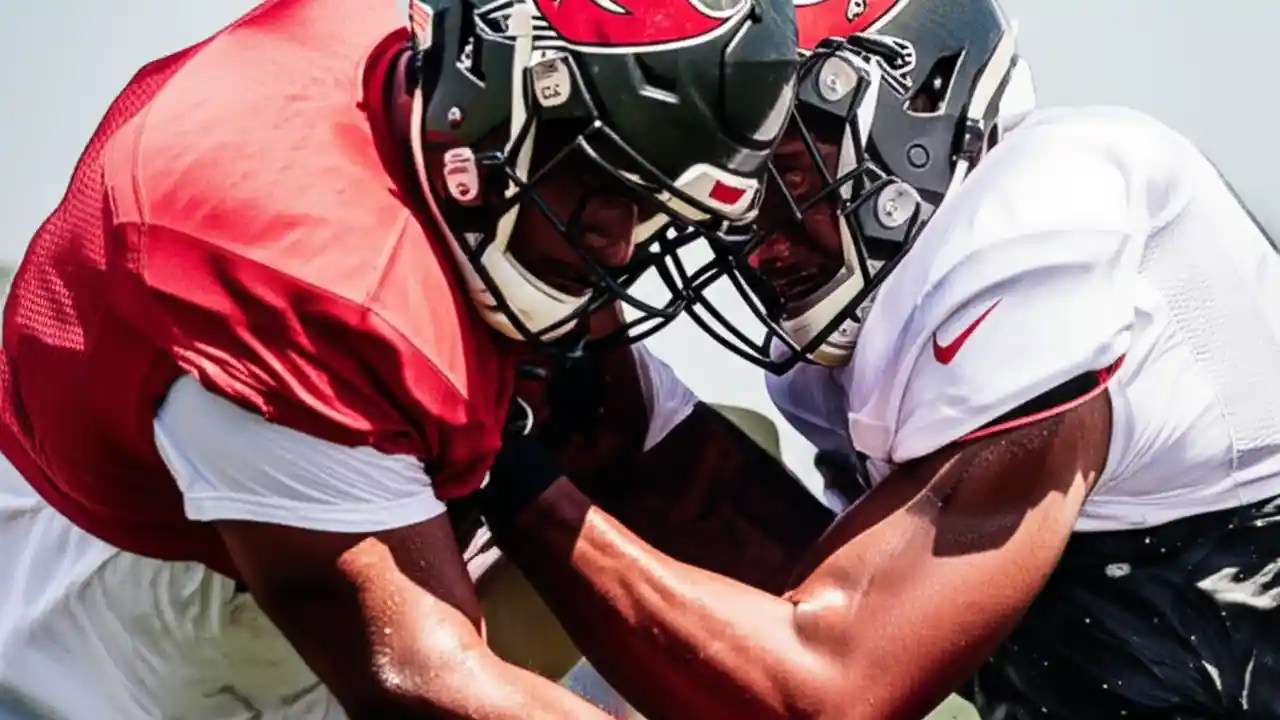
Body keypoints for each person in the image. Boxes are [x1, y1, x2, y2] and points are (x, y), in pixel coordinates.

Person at [0, 0, 835, 717]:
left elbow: (674, 470)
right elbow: (424, 684)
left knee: (712, 463)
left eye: (652, 199)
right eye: (605, 181)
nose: (618, 244)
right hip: (92, 660)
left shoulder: (477, 117)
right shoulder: (287, 263)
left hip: (308, 572)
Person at [480, 0, 1280, 717]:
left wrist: (504, 474)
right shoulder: (861, 339)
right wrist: (629, 423)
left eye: (784, 181)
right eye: (733, 209)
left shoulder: (1035, 222)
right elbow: (815, 585)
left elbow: (829, 686)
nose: (759, 250)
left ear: (917, 104)